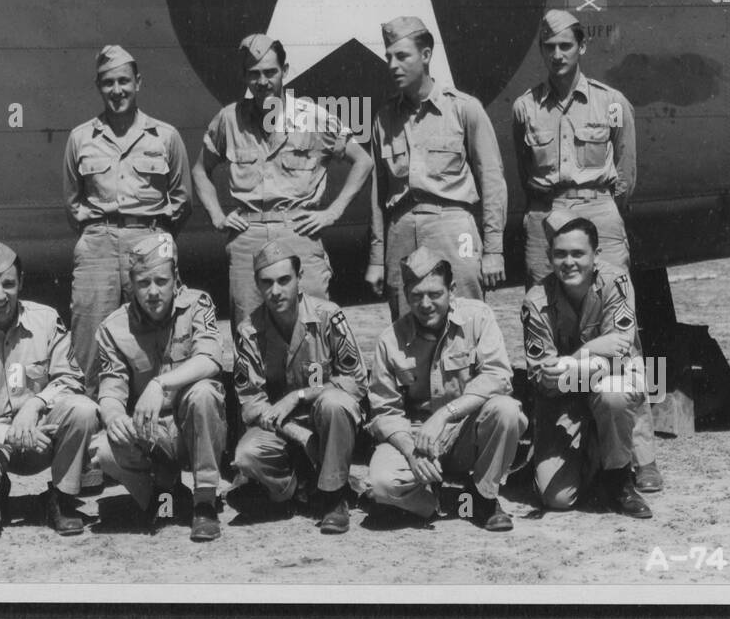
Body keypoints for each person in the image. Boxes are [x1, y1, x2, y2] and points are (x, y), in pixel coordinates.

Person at [511, 8, 663, 494]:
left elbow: (626, 177)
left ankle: (640, 454)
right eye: (549, 47)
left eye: (566, 46)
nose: (557, 55)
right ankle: (551, 442)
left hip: (599, 211)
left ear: (582, 47)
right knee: (545, 318)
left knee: (622, 330)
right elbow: (524, 171)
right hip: (545, 214)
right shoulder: (525, 108)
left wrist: (597, 210)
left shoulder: (612, 103)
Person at [193, 33, 372, 328]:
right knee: (248, 328)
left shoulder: (312, 117)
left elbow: (363, 161)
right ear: (244, 76)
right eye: (254, 74)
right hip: (248, 236)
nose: (262, 81)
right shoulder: (229, 120)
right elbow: (200, 170)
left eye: (270, 72)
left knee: (313, 325)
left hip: (298, 232)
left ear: (285, 71)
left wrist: (333, 212)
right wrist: (217, 215)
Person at [0, 241, 101, 543]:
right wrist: (8, 434)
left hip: (42, 433)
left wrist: (35, 404)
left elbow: (72, 379)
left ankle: (61, 499)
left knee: (83, 409)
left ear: (21, 282)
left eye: (9, 284)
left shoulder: (47, 321)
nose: (1, 295)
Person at [365, 247, 525, 531]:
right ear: (406, 295)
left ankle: (483, 496)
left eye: (435, 294)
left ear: (452, 290)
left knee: (507, 410)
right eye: (416, 296)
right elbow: (384, 411)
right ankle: (431, 499)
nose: (425, 304)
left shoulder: (478, 317)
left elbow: (498, 376)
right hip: (417, 438)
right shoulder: (390, 340)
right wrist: (411, 452)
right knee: (381, 485)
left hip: (465, 430)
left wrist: (444, 415)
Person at [63, 44, 192, 396]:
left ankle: (161, 411)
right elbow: (73, 203)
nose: (117, 90)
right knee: (89, 337)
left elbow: (182, 201)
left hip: (148, 241)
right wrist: (98, 234)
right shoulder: (80, 138)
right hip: (98, 247)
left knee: (157, 333)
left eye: (123, 81)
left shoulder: (165, 136)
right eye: (108, 83)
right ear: (98, 87)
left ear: (138, 83)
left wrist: (156, 237)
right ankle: (91, 416)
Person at [88, 232, 231, 542]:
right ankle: (166, 496)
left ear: (175, 278)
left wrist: (159, 383)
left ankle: (205, 502)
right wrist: (114, 418)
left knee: (204, 392)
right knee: (105, 448)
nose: (153, 292)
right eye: (143, 283)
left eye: (161, 281)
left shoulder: (197, 304)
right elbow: (111, 390)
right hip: (152, 431)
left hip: (193, 426)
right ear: (131, 284)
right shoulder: (113, 327)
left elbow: (210, 359)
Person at [366, 16, 507, 321]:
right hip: (401, 231)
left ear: (426, 55)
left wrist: (494, 250)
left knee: (465, 320)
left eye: (402, 56)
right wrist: (377, 258)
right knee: (406, 325)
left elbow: (492, 181)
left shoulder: (463, 108)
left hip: (454, 230)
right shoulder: (384, 118)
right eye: (388, 57)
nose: (392, 65)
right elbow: (378, 195)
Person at [521, 212, 653, 519]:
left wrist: (567, 364)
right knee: (557, 498)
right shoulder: (536, 301)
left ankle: (618, 480)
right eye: (560, 254)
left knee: (613, 393)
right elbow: (543, 378)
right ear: (549, 257)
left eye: (578, 253)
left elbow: (620, 354)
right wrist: (587, 352)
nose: (569, 262)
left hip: (612, 382)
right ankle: (593, 452)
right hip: (563, 399)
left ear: (596, 255)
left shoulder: (616, 281)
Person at [231, 240, 368, 534]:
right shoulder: (249, 331)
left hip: (326, 422)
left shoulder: (328, 315)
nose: (275, 290)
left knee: (335, 403)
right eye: (266, 283)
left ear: (299, 278)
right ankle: (299, 489)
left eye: (284, 280)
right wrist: (300, 434)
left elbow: (356, 381)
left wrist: (300, 395)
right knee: (247, 455)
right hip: (280, 428)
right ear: (257, 284)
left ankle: (334, 498)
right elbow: (251, 402)